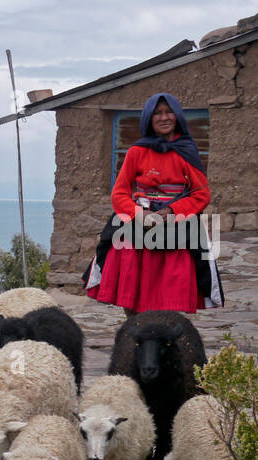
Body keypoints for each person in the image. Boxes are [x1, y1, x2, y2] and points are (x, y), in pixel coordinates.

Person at [88, 92, 212, 316]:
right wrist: (139, 214)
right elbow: (119, 193)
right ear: (148, 118)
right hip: (139, 221)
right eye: (158, 113)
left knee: (177, 282)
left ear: (177, 116)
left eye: (168, 112)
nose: (164, 117)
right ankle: (133, 333)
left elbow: (201, 194)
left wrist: (171, 211)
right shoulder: (137, 152)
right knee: (114, 252)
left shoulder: (187, 152)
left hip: (175, 223)